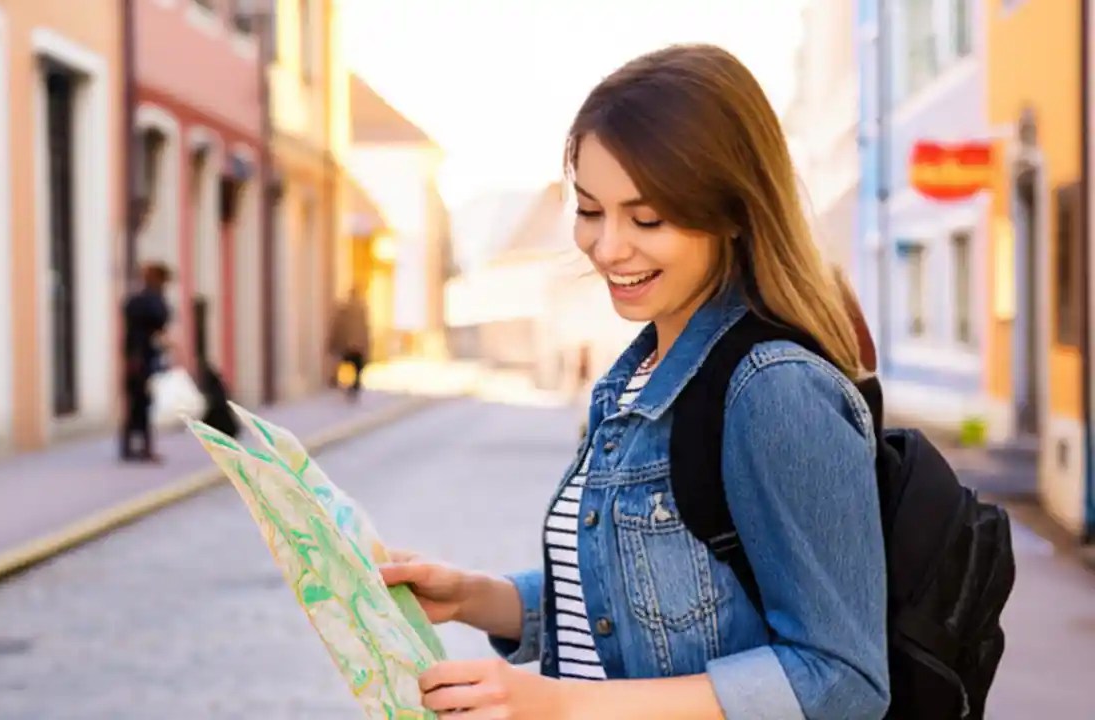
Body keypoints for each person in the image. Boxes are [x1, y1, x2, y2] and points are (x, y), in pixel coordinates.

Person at [380, 44, 889, 719]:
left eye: (646, 218)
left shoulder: (775, 390)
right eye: (590, 211)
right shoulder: (636, 377)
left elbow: (842, 681)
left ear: (733, 212)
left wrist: (561, 707)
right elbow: (650, 605)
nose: (608, 247)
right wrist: (477, 597)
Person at [120, 262, 173, 463]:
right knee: (143, 403)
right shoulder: (151, 301)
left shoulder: (135, 300)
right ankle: (143, 447)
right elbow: (161, 319)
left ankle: (130, 446)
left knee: (135, 403)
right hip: (144, 357)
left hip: (135, 355)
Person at [328, 286, 371, 401]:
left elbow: (337, 327)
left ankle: (348, 385)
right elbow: (365, 329)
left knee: (347, 365)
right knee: (356, 367)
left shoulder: (345, 309)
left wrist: (333, 343)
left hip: (347, 345)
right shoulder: (361, 310)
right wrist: (367, 345)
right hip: (357, 346)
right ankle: (353, 387)